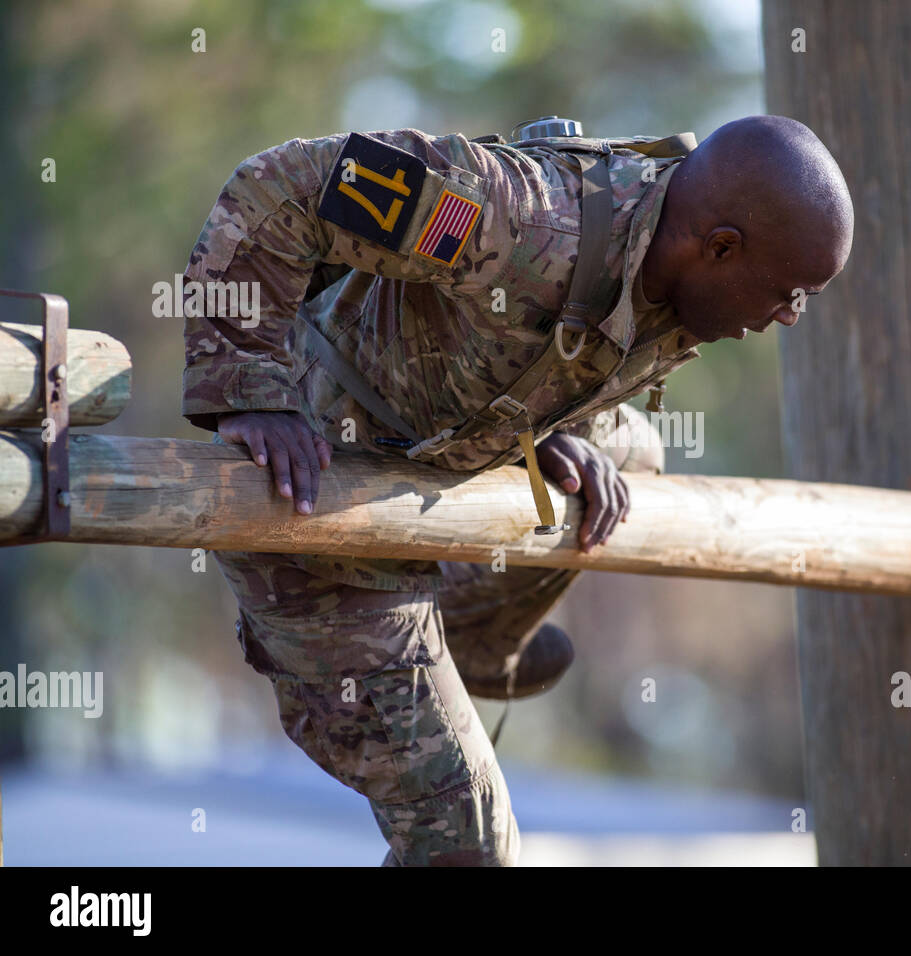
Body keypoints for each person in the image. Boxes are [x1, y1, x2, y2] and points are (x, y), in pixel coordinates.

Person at [181, 114, 853, 865]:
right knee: (472, 845)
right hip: (317, 505)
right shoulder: (520, 220)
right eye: (791, 293)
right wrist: (248, 389)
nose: (790, 316)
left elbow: (553, 344)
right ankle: (425, 652)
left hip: (442, 448)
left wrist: (545, 423)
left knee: (638, 456)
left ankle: (470, 639)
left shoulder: (673, 268)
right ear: (720, 246)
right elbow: (286, 188)